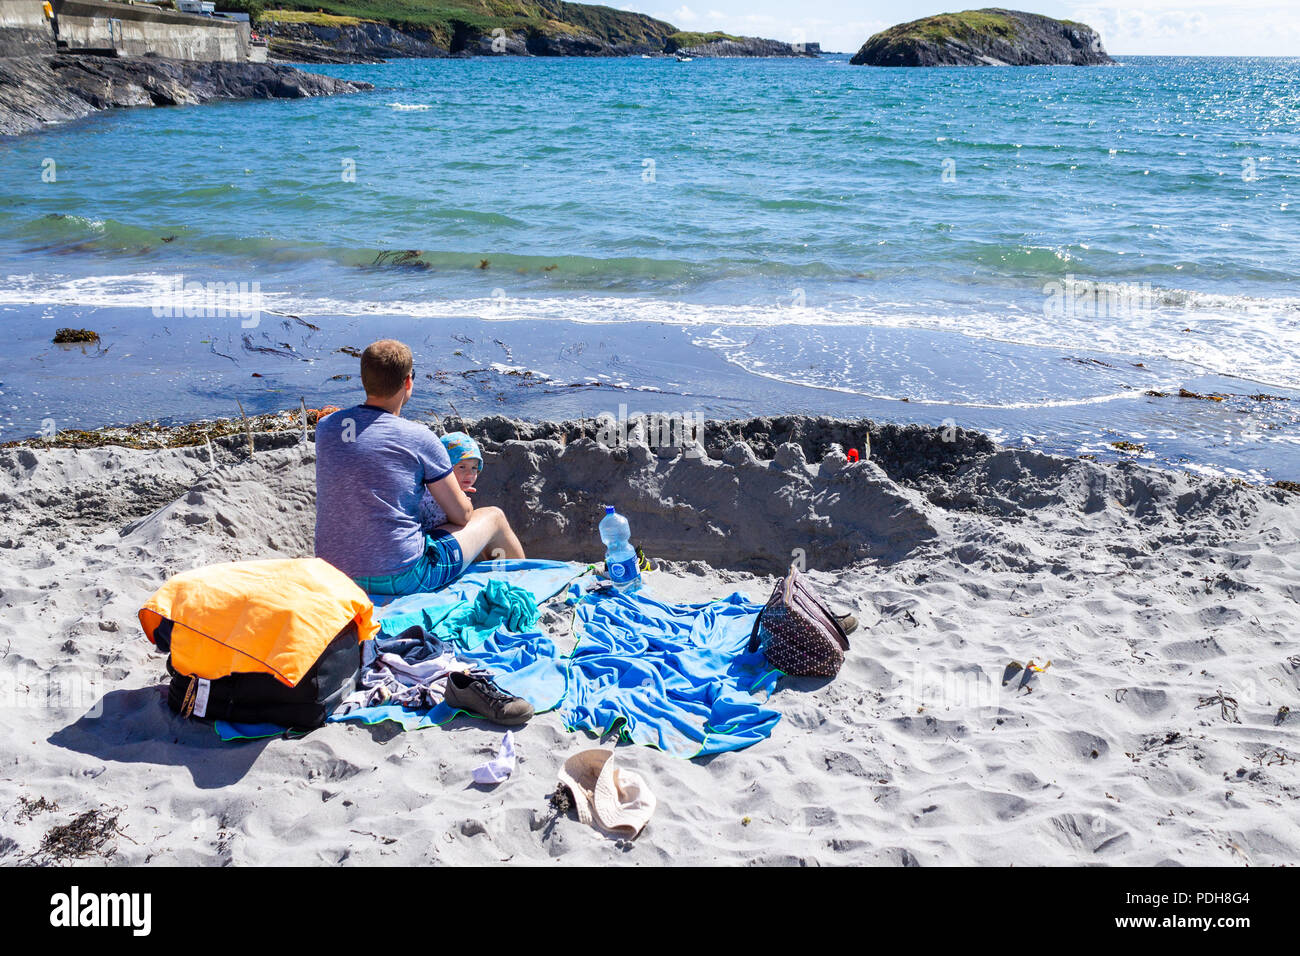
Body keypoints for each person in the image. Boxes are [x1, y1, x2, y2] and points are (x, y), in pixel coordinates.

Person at [314, 339, 525, 595]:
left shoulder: (326, 429)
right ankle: (523, 590)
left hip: (333, 574)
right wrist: (462, 500)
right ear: (408, 382)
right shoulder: (420, 437)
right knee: (493, 517)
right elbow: (462, 516)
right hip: (402, 576)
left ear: (364, 380)